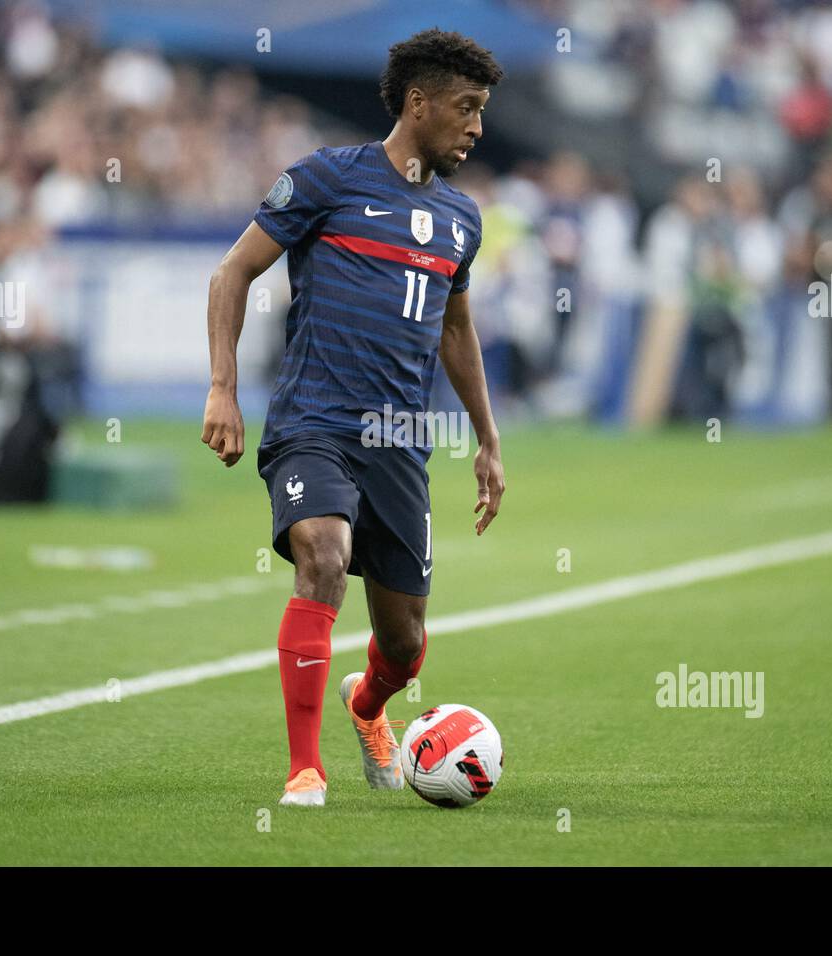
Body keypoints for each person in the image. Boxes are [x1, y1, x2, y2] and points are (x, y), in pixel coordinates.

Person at [201, 29, 506, 807]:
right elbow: (233, 272)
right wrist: (223, 388)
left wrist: (487, 440)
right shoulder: (327, 179)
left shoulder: (462, 219)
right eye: (467, 108)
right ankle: (305, 769)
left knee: (404, 645)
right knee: (324, 555)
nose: (477, 127)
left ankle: (368, 704)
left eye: (482, 111)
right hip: (314, 424)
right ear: (418, 103)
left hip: (401, 445)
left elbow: (456, 331)